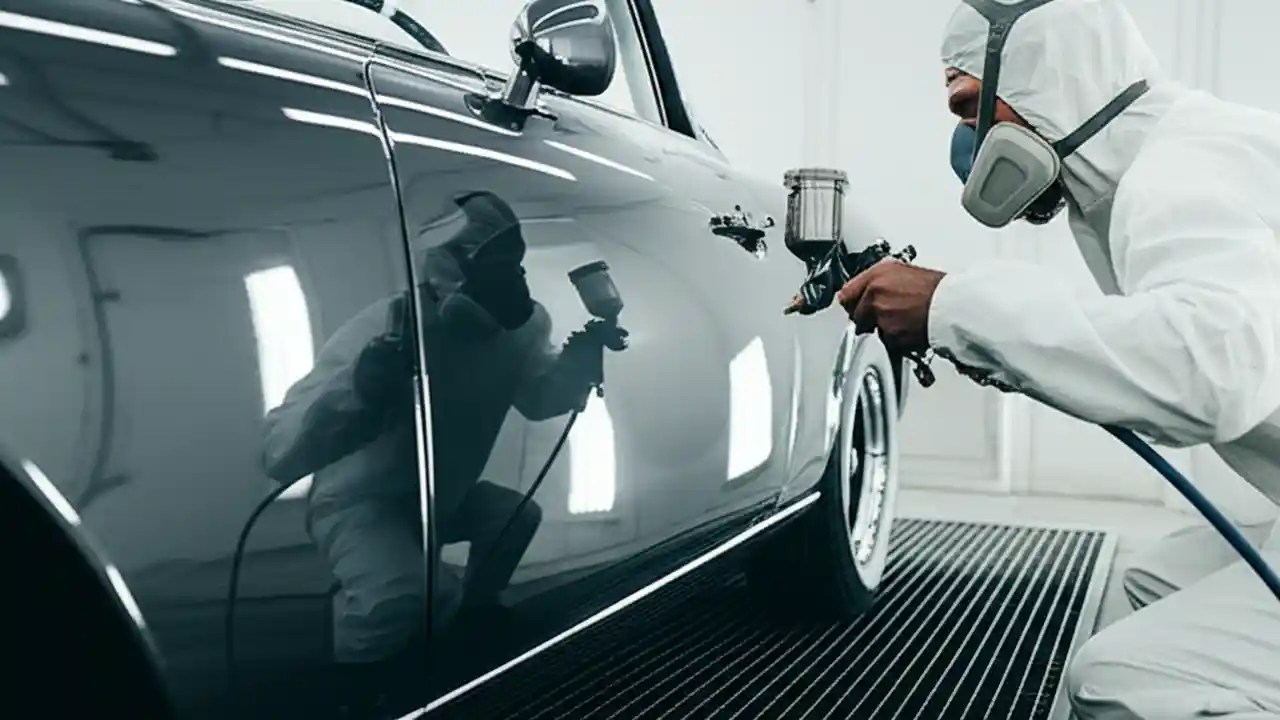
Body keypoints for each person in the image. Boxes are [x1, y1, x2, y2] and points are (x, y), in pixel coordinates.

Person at [834, 0, 1280, 717]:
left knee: (1120, 679)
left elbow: (1212, 373)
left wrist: (953, 307)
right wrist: (973, 326)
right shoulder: (1176, 153)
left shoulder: (1180, 173)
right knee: (1151, 581)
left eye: (971, 106)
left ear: (1045, 77)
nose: (967, 143)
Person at [260, 191, 606, 711]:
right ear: (453, 268)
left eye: (515, 264)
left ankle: (472, 619)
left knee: (514, 517)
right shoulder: (387, 326)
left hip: (443, 497)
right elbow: (280, 449)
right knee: (403, 600)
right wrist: (360, 387)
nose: (513, 281)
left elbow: (538, 400)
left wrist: (574, 369)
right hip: (361, 501)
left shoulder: (524, 329)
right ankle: (353, 690)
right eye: (496, 265)